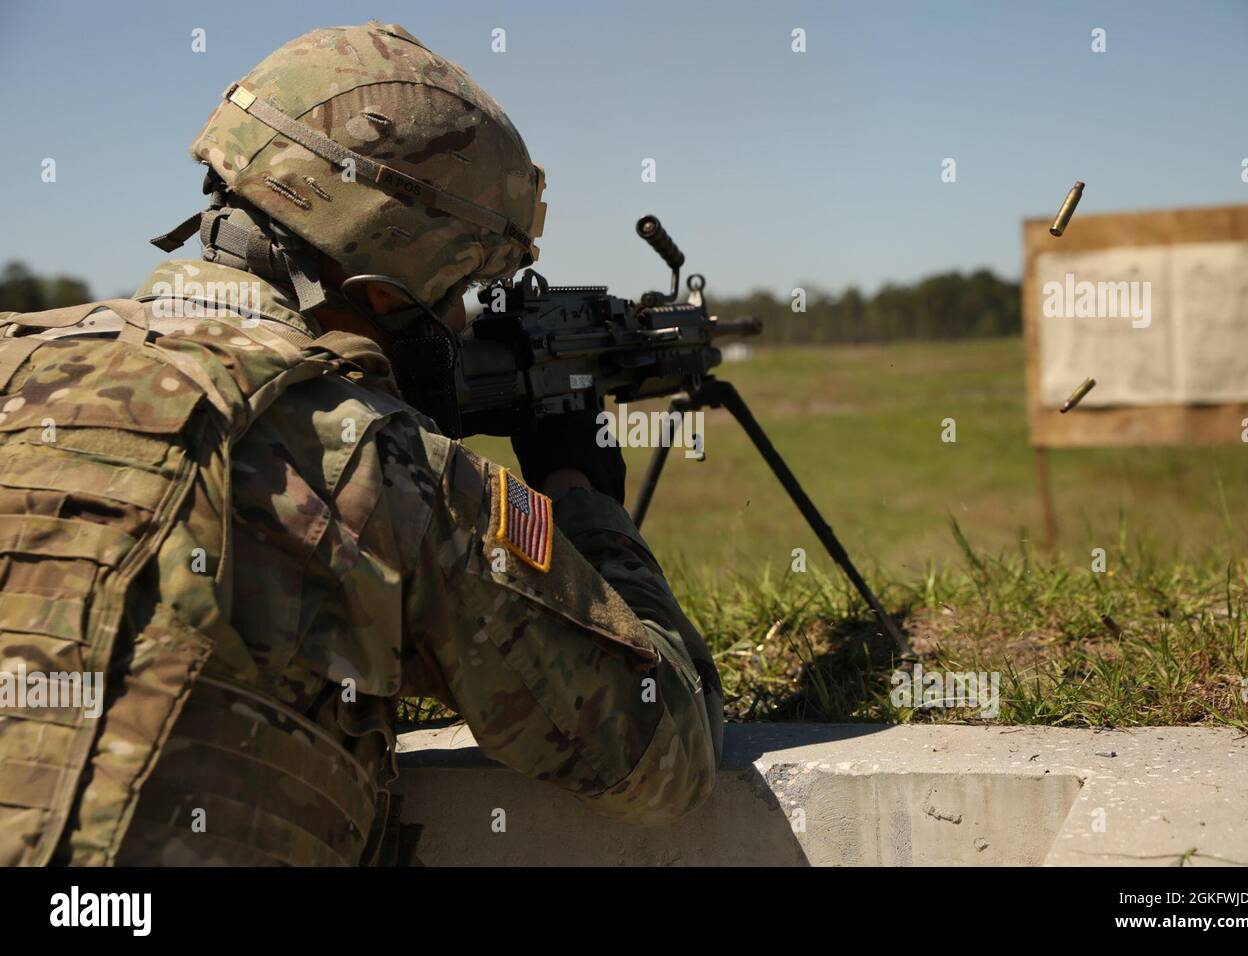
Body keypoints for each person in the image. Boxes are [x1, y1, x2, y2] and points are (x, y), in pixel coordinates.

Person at [0, 20, 723, 867]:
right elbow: (661, 754)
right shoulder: (379, 465)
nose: (460, 323)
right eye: (463, 289)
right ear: (385, 276)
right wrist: (581, 494)